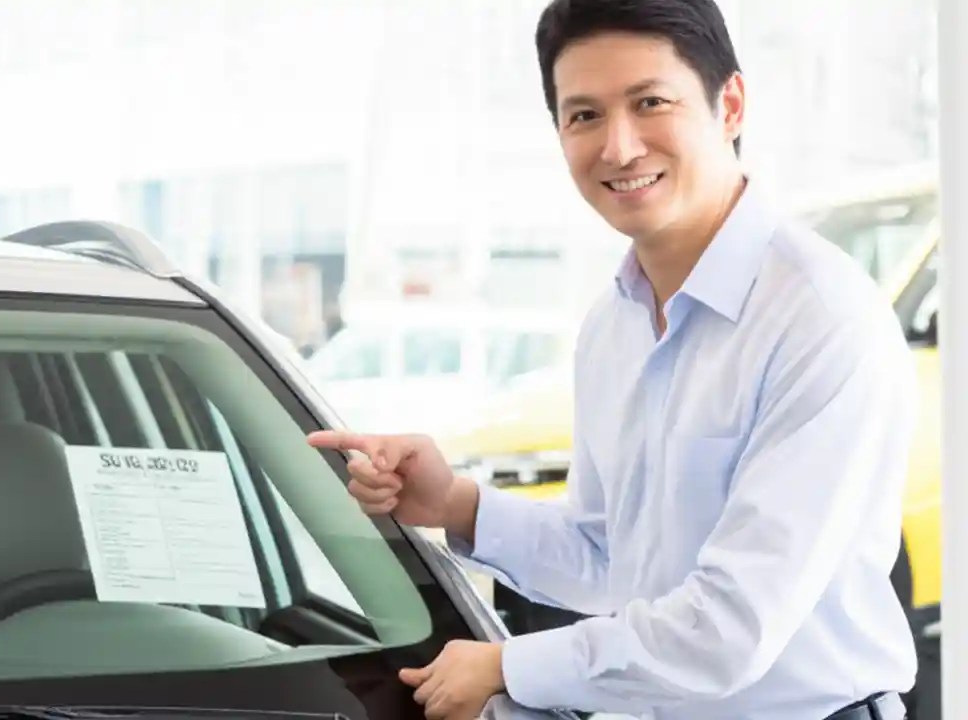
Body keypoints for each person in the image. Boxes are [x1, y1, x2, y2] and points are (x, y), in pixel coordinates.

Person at [307, 0, 918, 718]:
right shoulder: (614, 323)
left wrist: (509, 665)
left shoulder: (818, 315)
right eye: (585, 116)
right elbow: (611, 558)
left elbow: (730, 630)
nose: (619, 148)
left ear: (730, 105)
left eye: (650, 103)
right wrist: (456, 505)